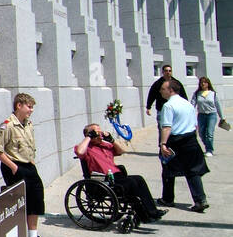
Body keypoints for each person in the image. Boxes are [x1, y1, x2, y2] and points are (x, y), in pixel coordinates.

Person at [0, 92, 52, 237]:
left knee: (36, 200)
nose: (31, 110)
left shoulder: (28, 124)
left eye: (32, 107)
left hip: (28, 166)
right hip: (15, 167)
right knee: (18, 203)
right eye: (29, 107)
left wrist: (31, 162)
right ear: (19, 106)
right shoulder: (7, 125)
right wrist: (13, 167)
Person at [74, 125, 167, 223]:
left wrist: (111, 140)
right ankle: (145, 214)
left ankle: (152, 211)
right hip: (103, 179)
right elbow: (80, 152)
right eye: (96, 132)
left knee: (139, 179)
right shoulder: (86, 148)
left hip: (116, 176)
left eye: (100, 132)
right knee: (131, 183)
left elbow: (121, 151)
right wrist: (88, 137)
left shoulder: (104, 145)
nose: (100, 134)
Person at [158, 78, 209, 212]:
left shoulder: (168, 106)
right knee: (193, 171)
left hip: (175, 141)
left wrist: (163, 144)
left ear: (171, 90)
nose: (160, 91)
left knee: (168, 170)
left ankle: (168, 199)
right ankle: (200, 200)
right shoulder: (187, 104)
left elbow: (166, 127)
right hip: (190, 139)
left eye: (163, 89)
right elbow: (195, 124)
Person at [191, 76, 226, 155]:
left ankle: (209, 150)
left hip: (211, 115)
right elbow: (192, 105)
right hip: (201, 115)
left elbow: (218, 105)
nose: (203, 84)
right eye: (201, 82)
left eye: (205, 82)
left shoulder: (213, 94)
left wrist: (222, 117)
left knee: (209, 133)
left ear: (208, 84)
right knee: (201, 133)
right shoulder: (197, 94)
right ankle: (208, 146)